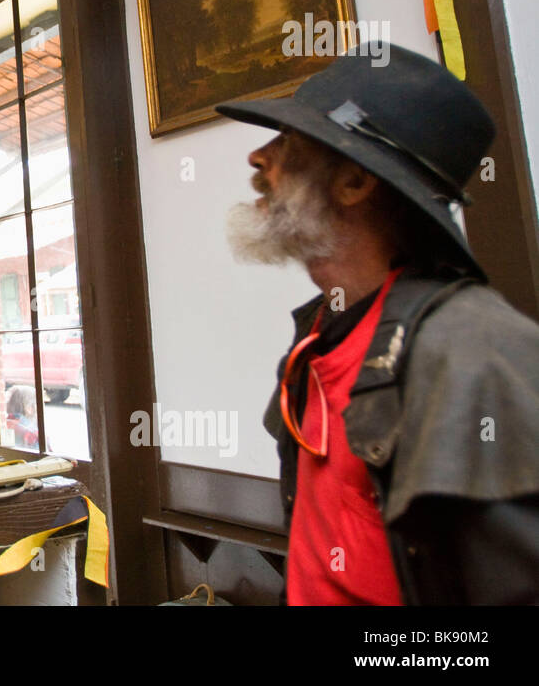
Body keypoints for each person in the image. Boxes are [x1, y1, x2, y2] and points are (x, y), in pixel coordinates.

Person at [217, 43, 539, 605]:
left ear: (354, 182)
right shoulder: (317, 335)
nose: (258, 157)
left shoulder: (475, 353)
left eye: (288, 140)